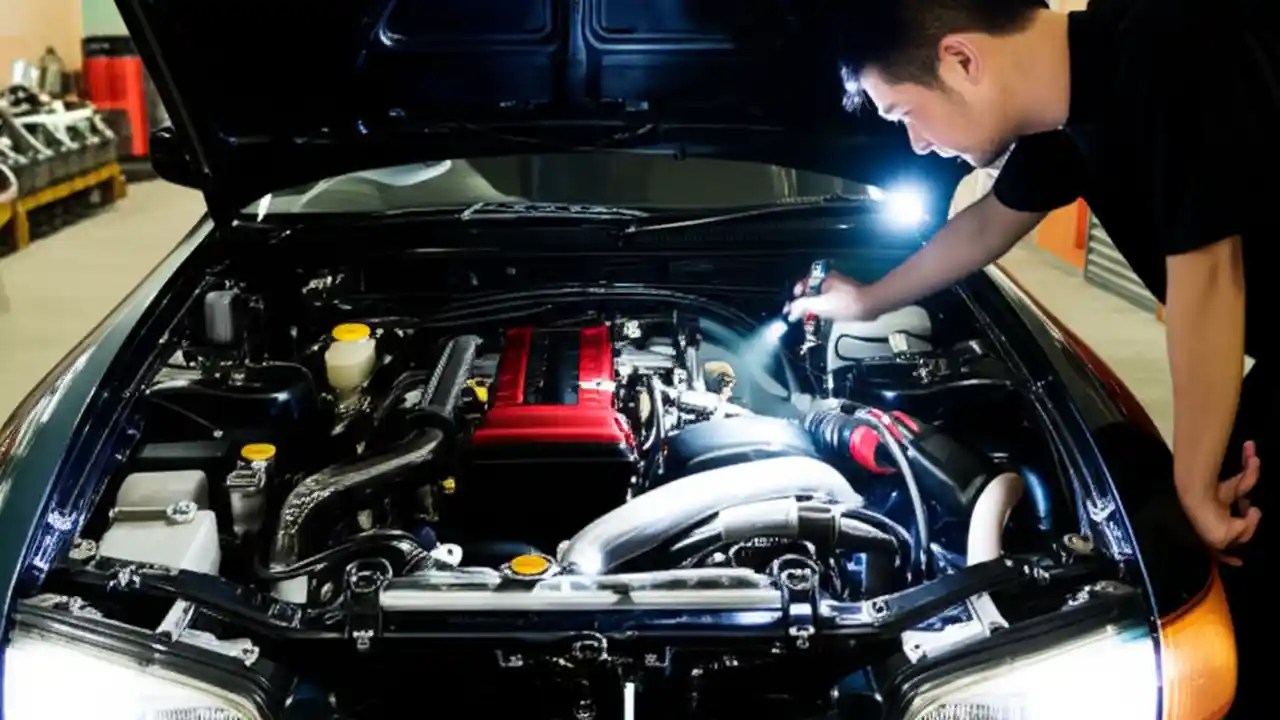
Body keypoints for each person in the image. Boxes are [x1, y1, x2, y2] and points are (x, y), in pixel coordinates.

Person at [785, 1, 1274, 713]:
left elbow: (1209, 278)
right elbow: (987, 224)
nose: (915, 143)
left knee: (1214, 558)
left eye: (904, 115)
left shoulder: (1174, 47)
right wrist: (867, 300)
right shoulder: (1074, 109)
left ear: (962, 60)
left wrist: (1194, 483)